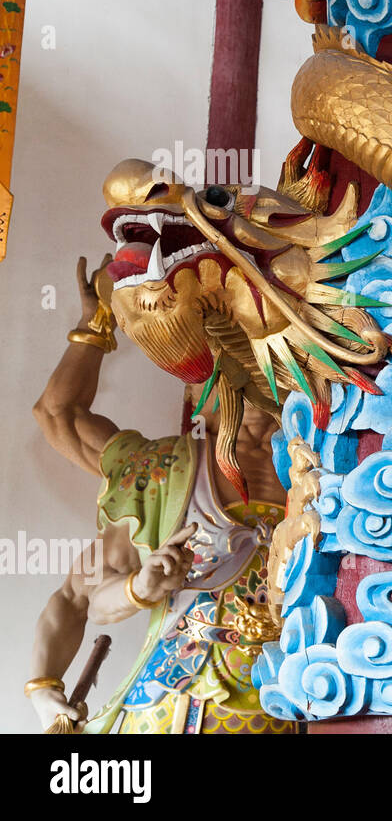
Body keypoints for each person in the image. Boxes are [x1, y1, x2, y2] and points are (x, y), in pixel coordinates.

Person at [25, 255, 297, 734]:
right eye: (225, 355)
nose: (246, 371)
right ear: (194, 391)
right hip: (176, 708)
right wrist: (139, 588)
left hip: (296, 705)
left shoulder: (322, 469)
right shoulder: (157, 473)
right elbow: (80, 597)